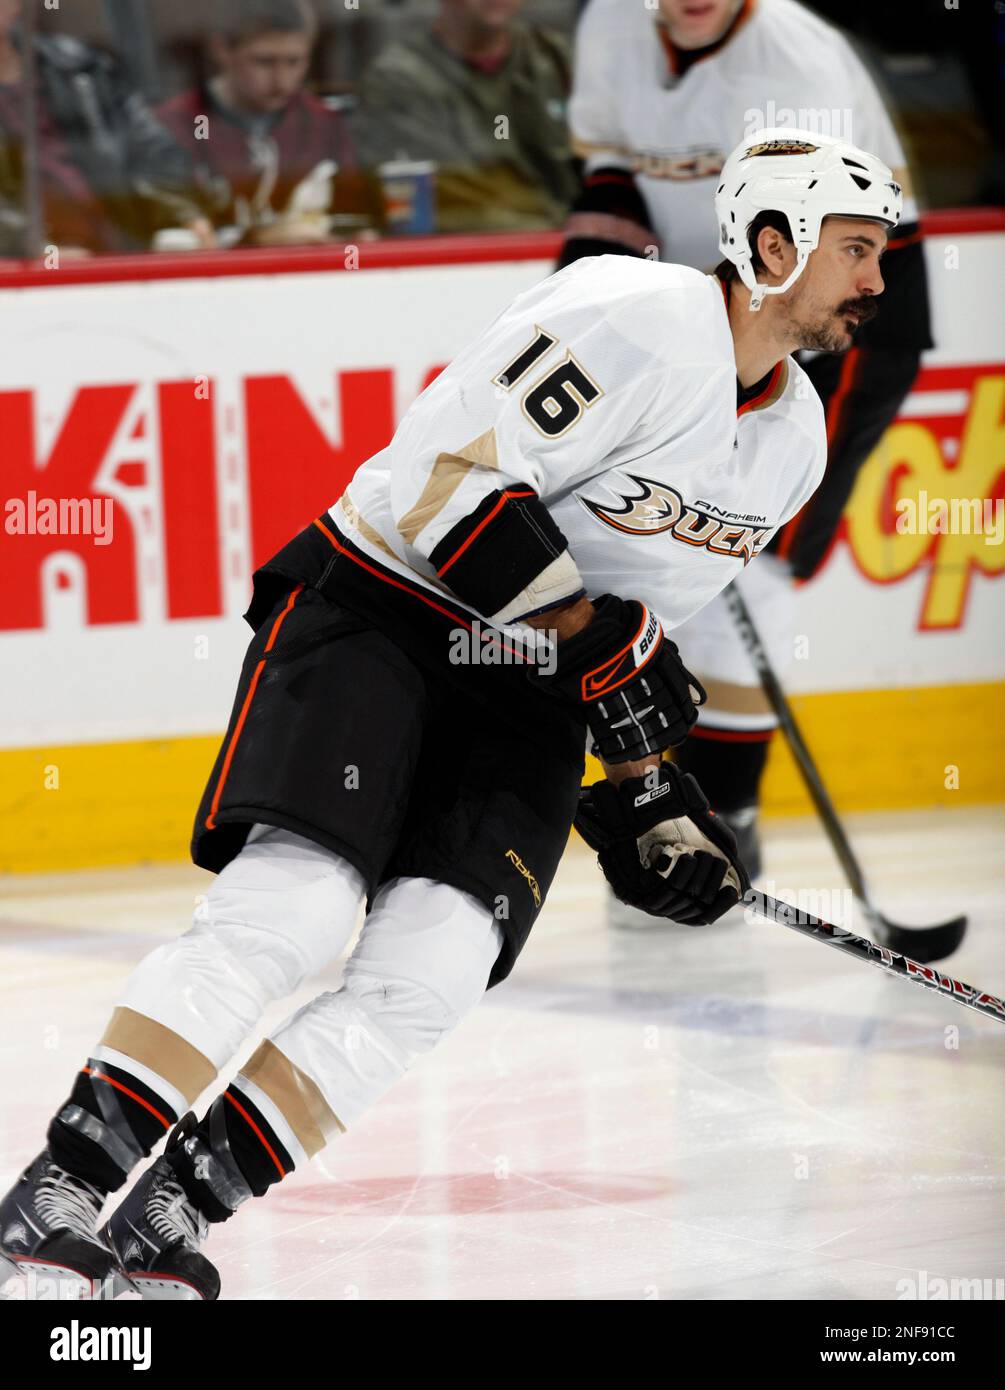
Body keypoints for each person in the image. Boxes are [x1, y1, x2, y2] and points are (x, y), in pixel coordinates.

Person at [0, 127, 900, 1300]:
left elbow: (630, 639)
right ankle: (55, 1195)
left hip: (521, 682)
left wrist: (645, 799)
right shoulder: (638, 314)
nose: (876, 281)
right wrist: (587, 637)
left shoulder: (790, 442)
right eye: (856, 250)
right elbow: (445, 483)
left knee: (430, 972)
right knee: (297, 909)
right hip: (386, 608)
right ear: (771, 242)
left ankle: (165, 1216)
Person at [562, 0, 932, 880]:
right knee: (658, 557)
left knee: (747, 558)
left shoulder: (794, 66)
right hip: (703, 318)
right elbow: (609, 170)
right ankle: (671, 812)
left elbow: (822, 269)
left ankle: (724, 820)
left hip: (839, 321)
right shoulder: (607, 25)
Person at [157, 0, 377, 246]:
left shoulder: (325, 125)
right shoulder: (173, 128)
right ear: (222, 50)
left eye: (294, 62)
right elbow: (168, 231)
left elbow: (355, 217)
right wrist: (254, 240)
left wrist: (356, 237)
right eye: (264, 61)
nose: (281, 80)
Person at [0, 0, 209, 254]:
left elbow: (151, 147)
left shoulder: (80, 67)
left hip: (121, 253)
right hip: (23, 277)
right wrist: (33, 249)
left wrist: (183, 215)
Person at [355, 0, 577, 232]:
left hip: (581, 254)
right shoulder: (399, 81)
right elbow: (448, 202)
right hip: (475, 257)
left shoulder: (555, 58)